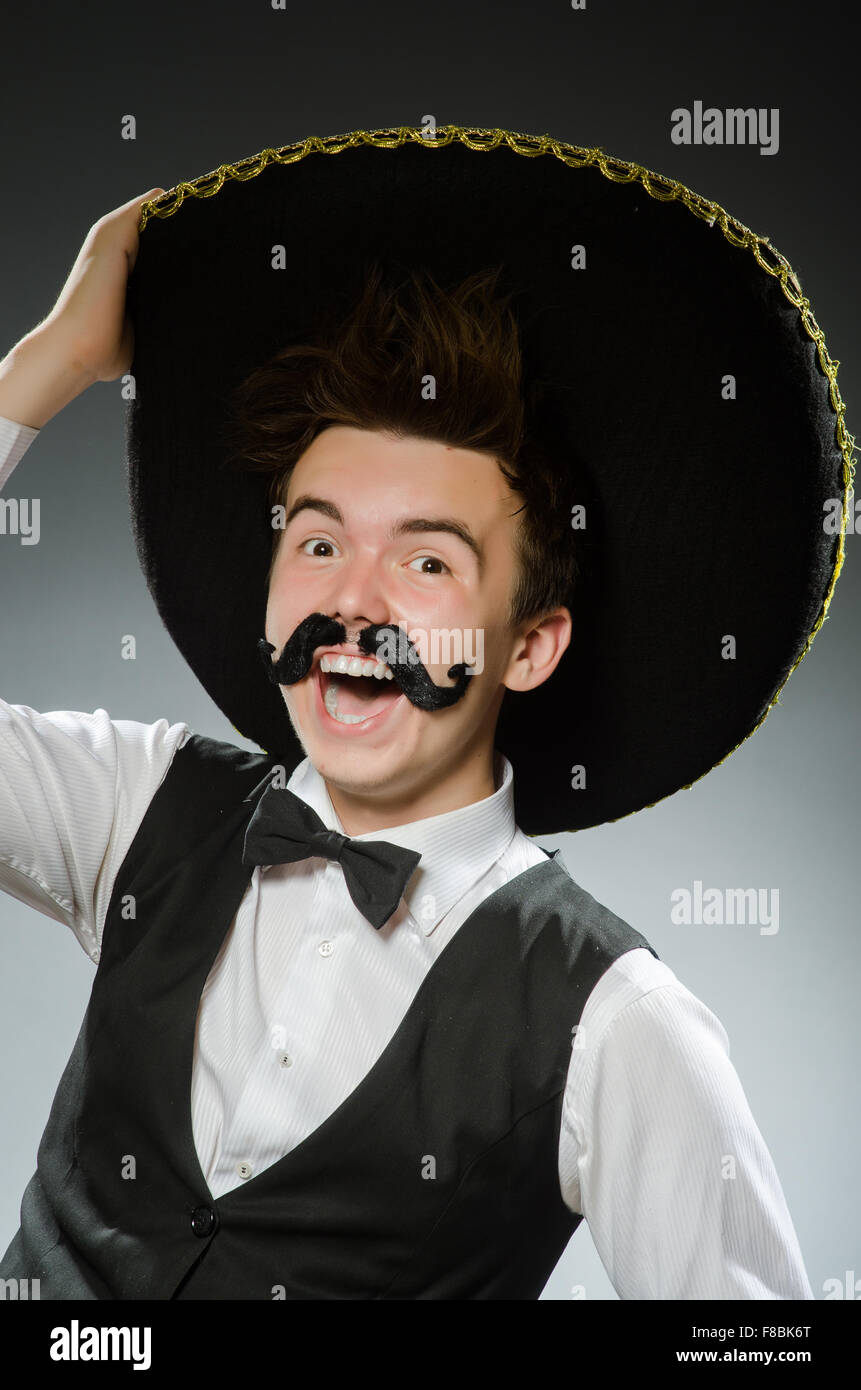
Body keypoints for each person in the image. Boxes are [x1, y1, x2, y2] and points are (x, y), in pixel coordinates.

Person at [0, 132, 830, 1298]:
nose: (352, 602)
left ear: (530, 646)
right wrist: (44, 366)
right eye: (322, 540)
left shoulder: (618, 1021)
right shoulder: (136, 807)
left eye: (427, 564)